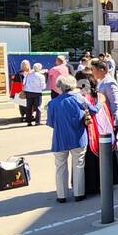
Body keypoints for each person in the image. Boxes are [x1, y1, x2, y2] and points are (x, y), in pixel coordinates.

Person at [46, 75, 92, 203]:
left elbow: (50, 123)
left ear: (59, 87)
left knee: (60, 166)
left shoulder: (53, 103)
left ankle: (61, 195)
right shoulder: (79, 99)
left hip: (60, 139)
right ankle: (79, 193)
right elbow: (94, 110)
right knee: (78, 164)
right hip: (78, 137)